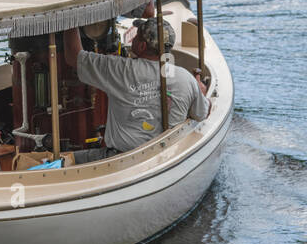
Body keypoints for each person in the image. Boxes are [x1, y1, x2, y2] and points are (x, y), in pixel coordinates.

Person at [66, 15, 209, 156]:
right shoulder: (186, 78)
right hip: (168, 156)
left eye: (137, 35)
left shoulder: (119, 70)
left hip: (121, 159)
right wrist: (199, 91)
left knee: (63, 162)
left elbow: (74, 56)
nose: (133, 38)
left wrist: (69, 16)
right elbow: (202, 113)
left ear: (142, 46)